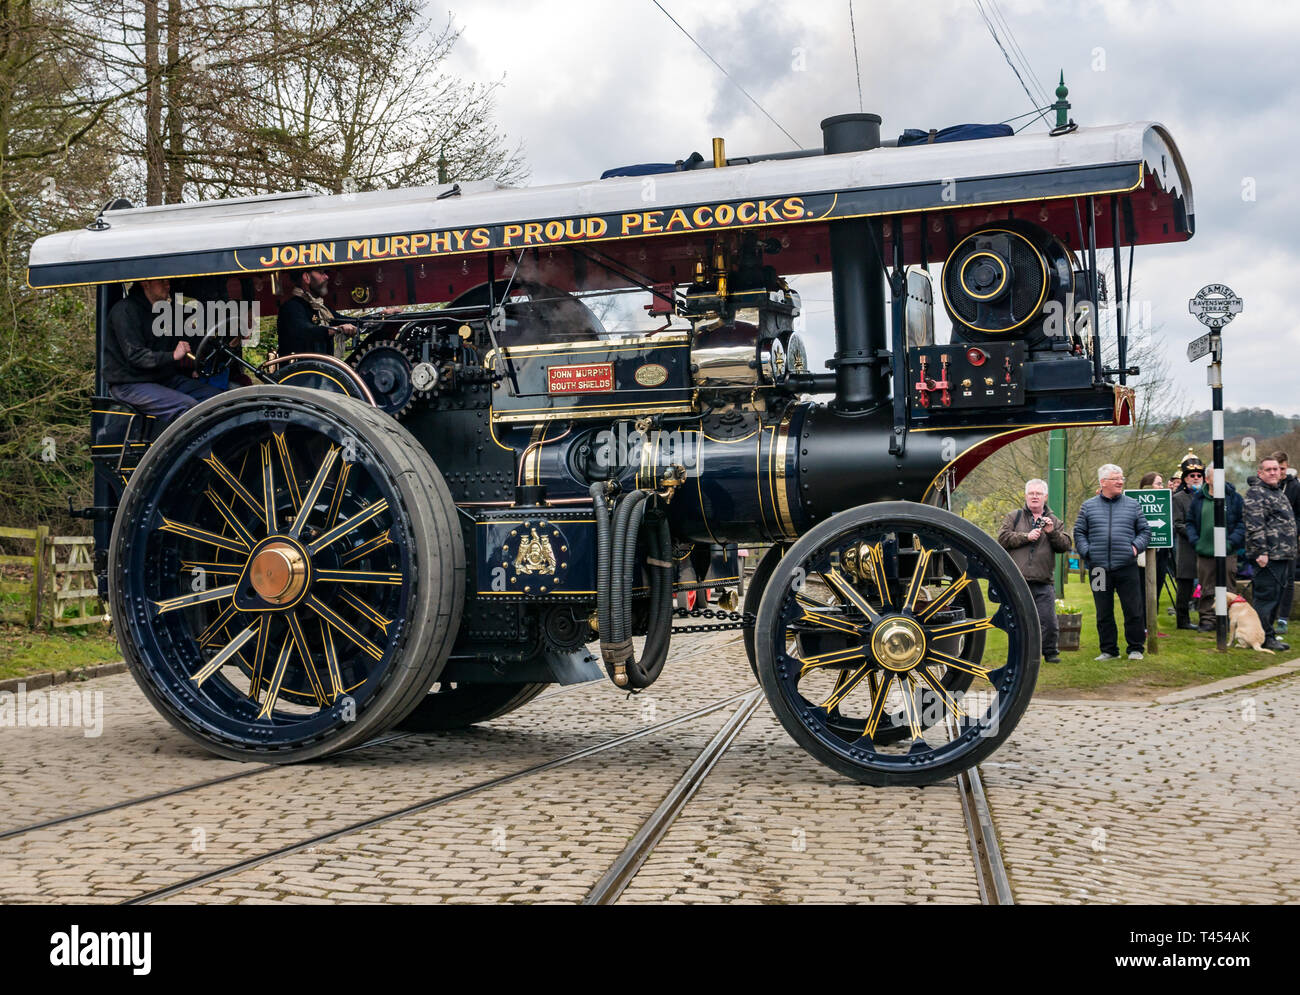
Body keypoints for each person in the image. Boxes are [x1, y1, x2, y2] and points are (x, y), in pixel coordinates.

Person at [105, 277, 224, 423]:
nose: (167, 284)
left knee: (216, 398)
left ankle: (224, 445)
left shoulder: (163, 312)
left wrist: (224, 341)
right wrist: (172, 356)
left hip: (161, 378)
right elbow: (136, 356)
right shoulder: (125, 310)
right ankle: (195, 446)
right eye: (161, 281)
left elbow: (188, 341)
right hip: (130, 384)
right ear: (145, 283)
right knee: (186, 407)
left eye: (168, 281)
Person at [1074, 464, 1151, 661]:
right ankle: (1109, 651)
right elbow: (1079, 532)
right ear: (1103, 482)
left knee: (1133, 610)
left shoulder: (1132, 505)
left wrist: (1134, 548)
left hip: (1126, 567)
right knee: (1103, 611)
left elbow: (1145, 531)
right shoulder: (1088, 506)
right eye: (1115, 478)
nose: (1120, 481)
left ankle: (1135, 648)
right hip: (1098, 569)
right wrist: (1087, 552)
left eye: (1121, 478)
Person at [998, 479, 1073, 663]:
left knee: (1048, 621)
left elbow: (1065, 546)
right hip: (1018, 580)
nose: (1034, 496)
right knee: (1018, 621)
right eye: (1031, 493)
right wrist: (1026, 536)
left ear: (1045, 497)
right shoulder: (1014, 517)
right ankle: (1020, 653)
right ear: (1025, 496)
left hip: (1043, 580)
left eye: (1038, 493)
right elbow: (1002, 539)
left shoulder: (1055, 521)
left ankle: (1050, 652)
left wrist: (1051, 532)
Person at [1244, 455, 1297, 652]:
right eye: (1269, 470)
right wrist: (1261, 552)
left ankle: (1269, 634)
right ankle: (1262, 636)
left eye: (1276, 469)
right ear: (1260, 473)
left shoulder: (1277, 493)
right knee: (1266, 597)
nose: (1274, 472)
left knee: (1277, 596)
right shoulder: (1256, 493)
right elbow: (1255, 525)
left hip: (1283, 555)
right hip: (1268, 556)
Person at [1185, 466, 1244, 633]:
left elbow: (1241, 523)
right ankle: (1208, 619)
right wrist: (1196, 542)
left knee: (1228, 586)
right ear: (1208, 480)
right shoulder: (1198, 499)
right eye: (1215, 477)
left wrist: (1231, 543)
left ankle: (1228, 619)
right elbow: (1189, 522)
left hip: (1227, 551)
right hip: (1204, 552)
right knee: (1207, 586)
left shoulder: (1234, 498)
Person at [276, 269, 360, 357]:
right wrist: (337, 329)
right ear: (306, 277)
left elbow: (348, 321)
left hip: (321, 368)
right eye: (321, 273)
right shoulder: (291, 307)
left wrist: (372, 320)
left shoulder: (322, 309)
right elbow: (306, 331)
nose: (326, 277)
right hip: (302, 369)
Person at [1170, 454, 1204, 631]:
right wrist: (1196, 535)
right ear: (1185, 478)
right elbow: (1177, 524)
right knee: (1185, 585)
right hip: (1187, 548)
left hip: (1207, 548)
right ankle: (1182, 621)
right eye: (1192, 475)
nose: (1196, 478)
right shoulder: (1178, 498)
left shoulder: (1208, 496)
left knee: (1207, 584)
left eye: (1199, 475)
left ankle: (1207, 618)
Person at [1272, 451, 1300, 634]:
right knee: (1273, 579)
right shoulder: (1268, 486)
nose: (1280, 472)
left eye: (1282, 468)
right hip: (1271, 540)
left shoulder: (1294, 487)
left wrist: (1292, 530)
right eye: (1276, 468)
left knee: (1288, 579)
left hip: (1289, 539)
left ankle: (1283, 617)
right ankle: (1270, 615)